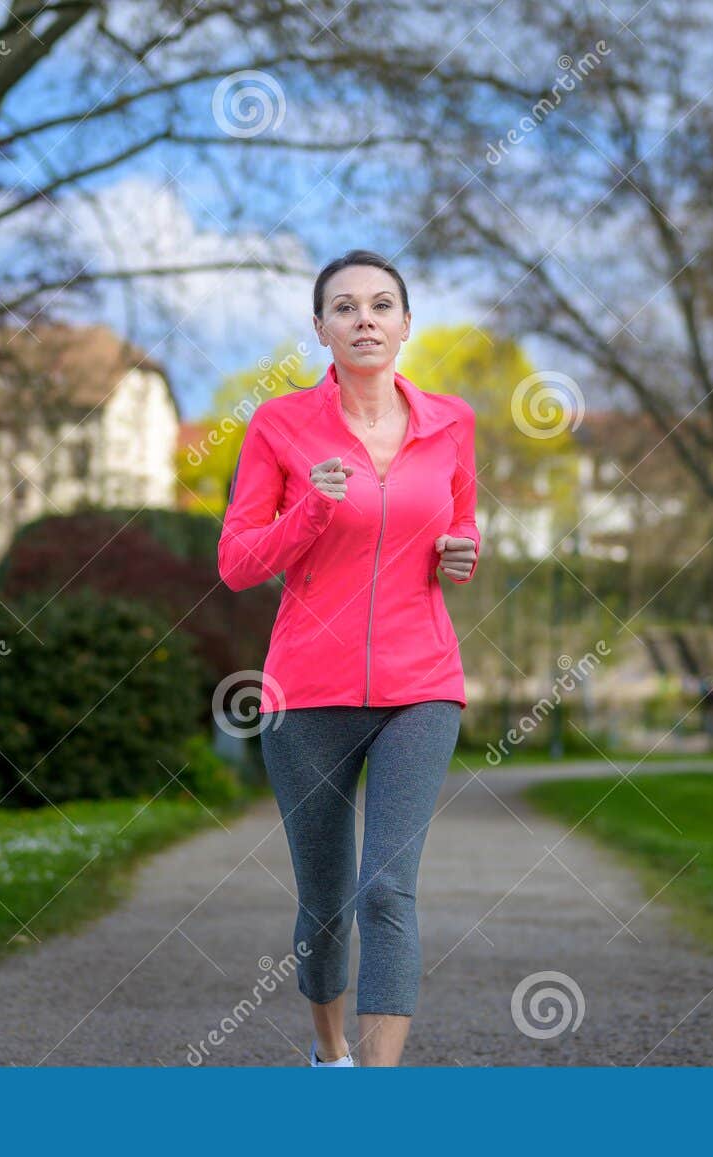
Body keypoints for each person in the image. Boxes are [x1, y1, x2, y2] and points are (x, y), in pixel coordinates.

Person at [217, 249, 481, 1067]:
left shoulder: (451, 422)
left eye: (380, 304)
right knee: (327, 905)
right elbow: (237, 563)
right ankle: (328, 1053)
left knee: (387, 890)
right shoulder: (281, 427)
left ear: (406, 324)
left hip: (421, 684)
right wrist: (311, 512)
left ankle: (376, 1094)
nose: (364, 318)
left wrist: (463, 552)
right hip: (308, 693)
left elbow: (461, 520)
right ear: (322, 329)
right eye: (344, 307)